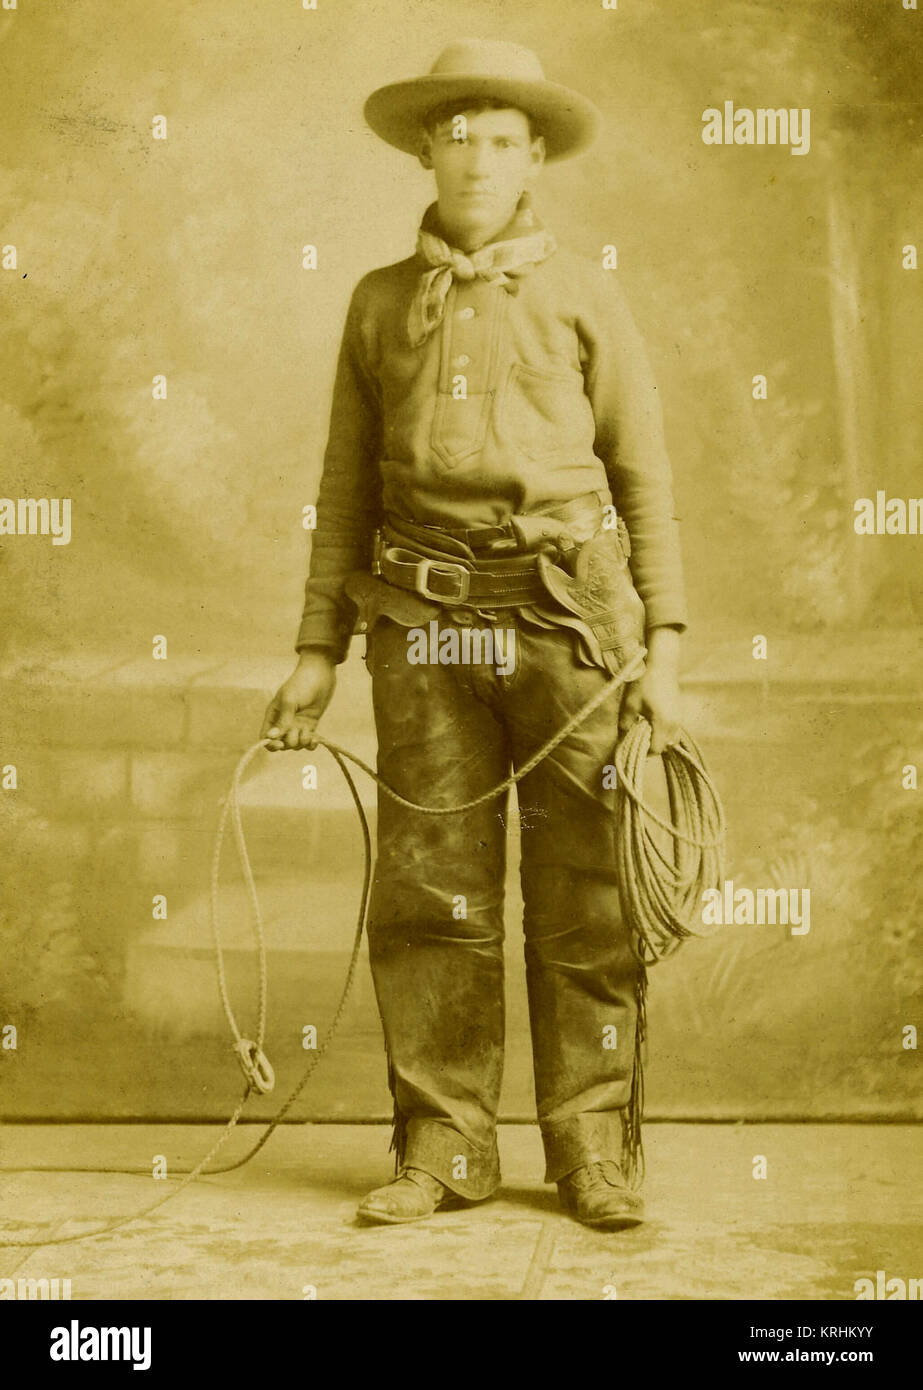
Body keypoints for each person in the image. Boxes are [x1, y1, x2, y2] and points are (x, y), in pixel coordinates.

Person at [261, 38, 687, 1230]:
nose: (476, 159)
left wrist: (666, 640)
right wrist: (313, 649)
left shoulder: (586, 296)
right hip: (422, 629)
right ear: (424, 151)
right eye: (456, 136)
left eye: (502, 139)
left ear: (534, 157)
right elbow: (343, 484)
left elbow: (641, 475)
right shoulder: (380, 301)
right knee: (431, 896)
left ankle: (592, 1149)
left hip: (568, 625)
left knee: (586, 895)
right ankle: (443, 1146)